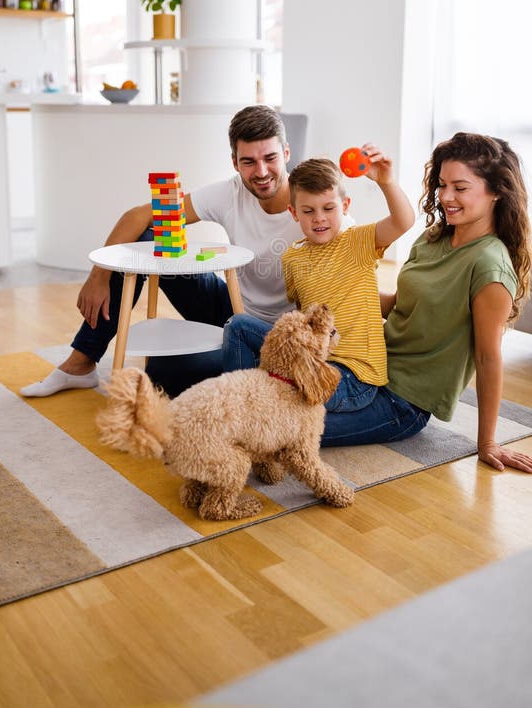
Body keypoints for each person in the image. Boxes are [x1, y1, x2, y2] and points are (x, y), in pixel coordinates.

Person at [224, 131, 532, 473]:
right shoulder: (434, 239)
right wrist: (338, 292)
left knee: (271, 430)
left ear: (496, 191)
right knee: (240, 335)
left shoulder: (490, 266)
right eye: (442, 185)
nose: (445, 197)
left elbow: (488, 358)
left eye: (460, 188)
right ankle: (237, 401)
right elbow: (399, 304)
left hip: (403, 402)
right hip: (369, 366)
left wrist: (487, 442)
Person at [22, 104, 306, 398]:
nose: (261, 172)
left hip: (275, 334)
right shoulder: (230, 192)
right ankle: (81, 363)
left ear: (286, 153)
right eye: (249, 161)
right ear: (235, 163)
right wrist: (98, 276)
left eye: (270, 158)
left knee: (162, 373)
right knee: (147, 239)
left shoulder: (311, 203)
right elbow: (138, 216)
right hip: (231, 309)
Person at [223, 146, 414, 405]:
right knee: (239, 325)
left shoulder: (357, 242)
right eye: (309, 211)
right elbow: (303, 316)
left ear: (345, 206)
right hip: (311, 364)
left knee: (282, 409)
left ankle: (251, 409)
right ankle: (241, 400)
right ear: (293, 213)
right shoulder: (292, 258)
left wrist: (386, 182)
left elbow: (403, 221)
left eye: (328, 208)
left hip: (354, 376)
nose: (319, 219)